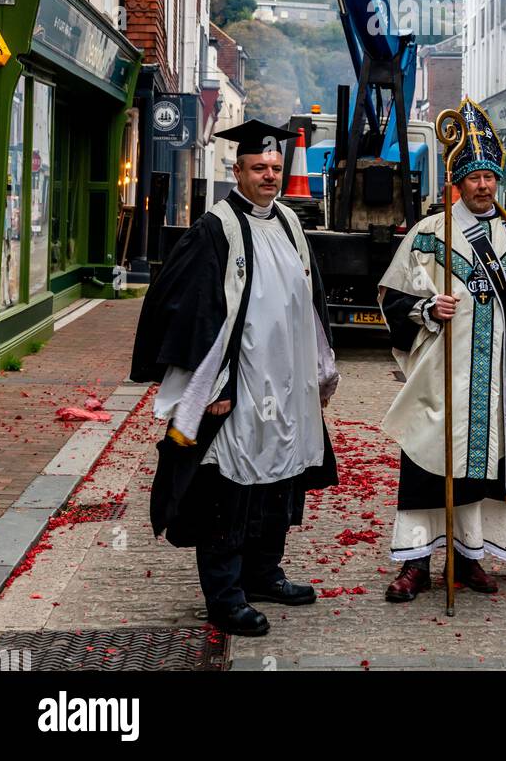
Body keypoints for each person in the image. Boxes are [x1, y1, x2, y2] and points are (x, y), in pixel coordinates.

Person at [130, 119, 338, 637]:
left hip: (287, 388)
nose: (268, 176)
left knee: (280, 481)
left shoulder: (290, 223)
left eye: (273, 168)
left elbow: (308, 303)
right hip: (238, 389)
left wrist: (320, 371)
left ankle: (264, 574)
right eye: (257, 168)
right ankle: (225, 594)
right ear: (237, 170)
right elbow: (193, 314)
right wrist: (212, 389)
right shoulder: (214, 230)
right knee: (227, 490)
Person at [376, 97, 506, 601]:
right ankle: (415, 562)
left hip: (495, 379)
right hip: (441, 376)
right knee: (426, 463)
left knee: (482, 470)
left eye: (490, 177)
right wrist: (428, 310)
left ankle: (467, 557)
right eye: (474, 177)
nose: (484, 186)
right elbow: (393, 301)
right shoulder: (430, 235)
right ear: (457, 181)